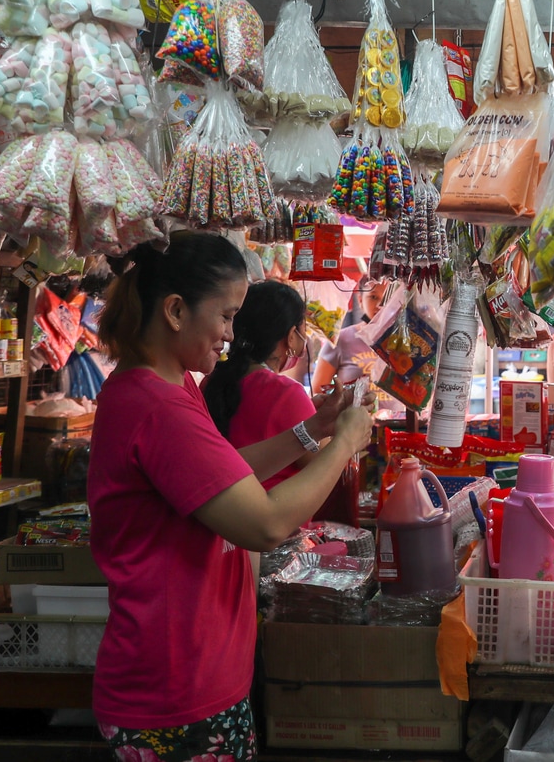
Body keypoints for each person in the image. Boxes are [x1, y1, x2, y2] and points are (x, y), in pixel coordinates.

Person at [88, 233, 372, 761]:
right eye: (225, 316)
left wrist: (313, 430)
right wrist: (347, 443)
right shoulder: (157, 406)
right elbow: (263, 522)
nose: (231, 334)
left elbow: (221, 476)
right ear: (175, 310)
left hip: (196, 677)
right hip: (176, 690)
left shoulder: (174, 385)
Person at [202, 280, 316, 489]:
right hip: (272, 514)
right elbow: (323, 461)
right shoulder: (286, 393)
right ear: (291, 336)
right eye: (304, 329)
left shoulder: (212, 381)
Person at [311, 279, 391, 394]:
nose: (380, 305)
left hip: (397, 413)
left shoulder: (405, 341)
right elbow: (317, 391)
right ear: (360, 300)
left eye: (387, 298)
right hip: (352, 412)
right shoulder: (341, 339)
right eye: (373, 297)